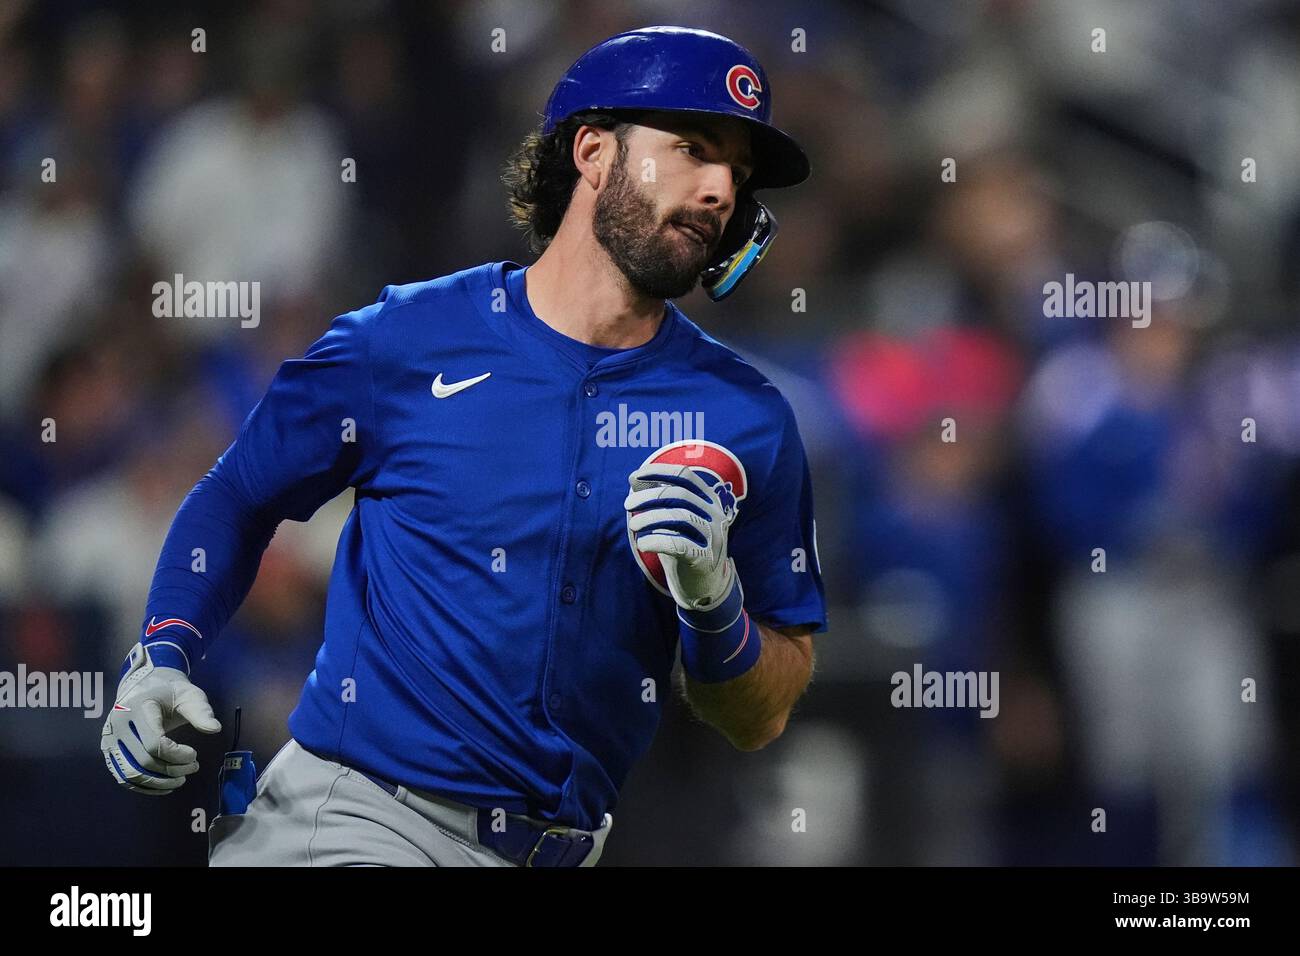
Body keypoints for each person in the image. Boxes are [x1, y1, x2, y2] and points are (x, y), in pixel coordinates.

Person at [100, 25, 828, 867]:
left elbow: (761, 714)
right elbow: (240, 494)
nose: (719, 191)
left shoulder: (746, 417)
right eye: (694, 150)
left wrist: (717, 610)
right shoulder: (407, 339)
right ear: (594, 151)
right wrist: (161, 653)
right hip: (358, 822)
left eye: (736, 174)